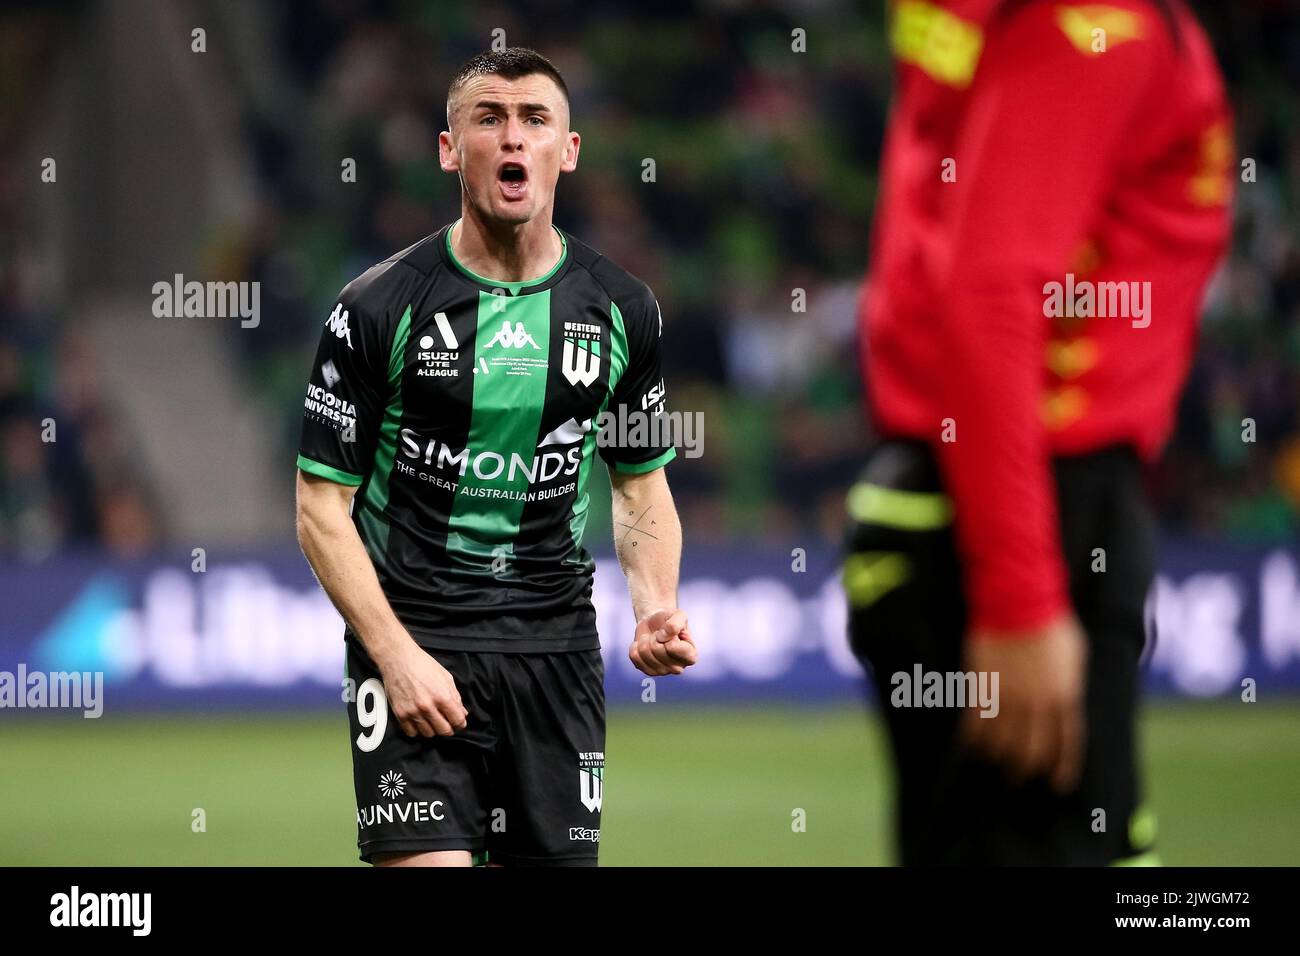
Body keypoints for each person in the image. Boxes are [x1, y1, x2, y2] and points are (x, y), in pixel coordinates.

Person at [847, 0, 1232, 864]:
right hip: (1030, 499)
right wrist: (1020, 595)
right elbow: (991, 292)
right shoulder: (1096, 26)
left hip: (949, 494)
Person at [295, 47, 696, 867]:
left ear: (567, 150)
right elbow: (319, 508)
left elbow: (640, 486)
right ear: (451, 150)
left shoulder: (621, 307)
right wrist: (396, 657)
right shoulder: (378, 306)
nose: (513, 138)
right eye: (490, 119)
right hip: (415, 635)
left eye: (534, 119)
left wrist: (655, 605)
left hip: (555, 649)